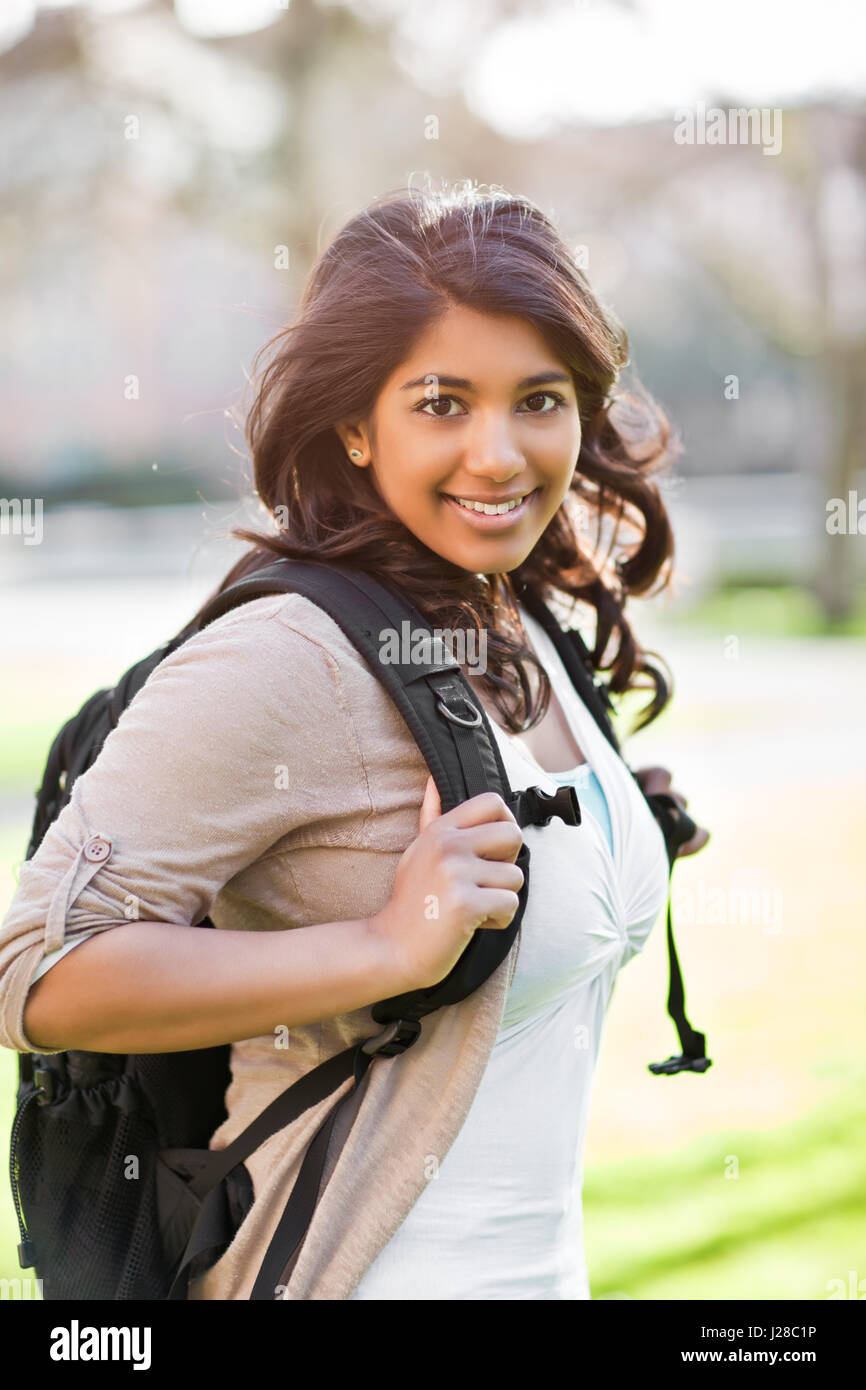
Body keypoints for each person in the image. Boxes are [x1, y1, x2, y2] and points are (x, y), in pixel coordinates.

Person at [0, 180, 708, 1300]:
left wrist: (629, 825)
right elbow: (33, 970)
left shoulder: (511, 616)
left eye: (538, 398)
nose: (500, 453)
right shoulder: (292, 655)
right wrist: (382, 949)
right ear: (351, 425)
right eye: (440, 402)